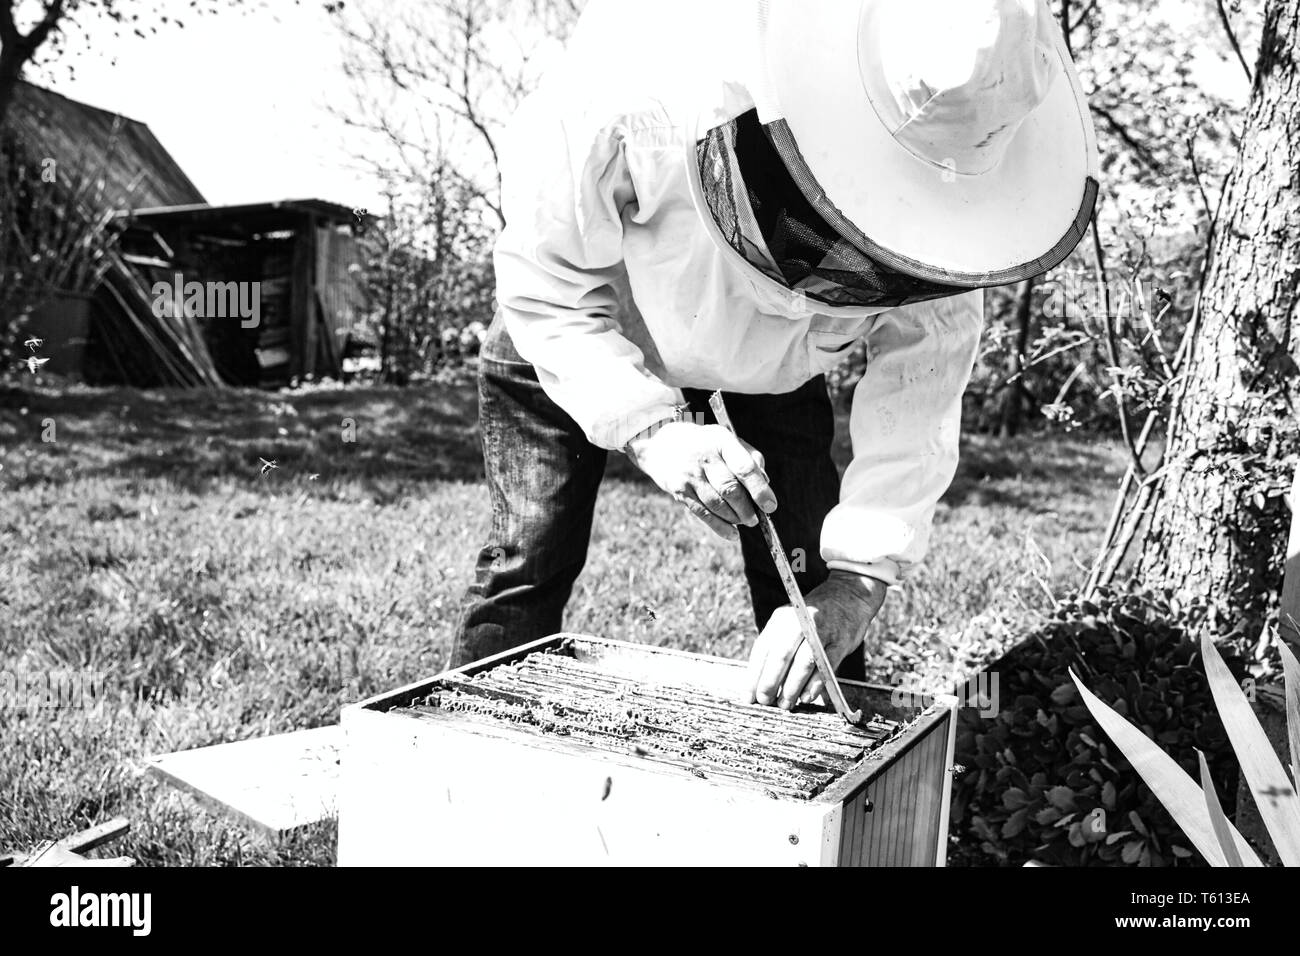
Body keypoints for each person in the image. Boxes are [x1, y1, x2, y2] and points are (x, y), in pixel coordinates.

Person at [451, 0, 1098, 709]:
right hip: (580, 325)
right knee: (529, 556)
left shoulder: (963, 193)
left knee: (813, 577)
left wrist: (856, 583)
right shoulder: (627, 70)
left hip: (777, 370)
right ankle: (464, 759)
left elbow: (926, 370)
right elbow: (548, 283)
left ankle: (833, 784)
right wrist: (651, 429)